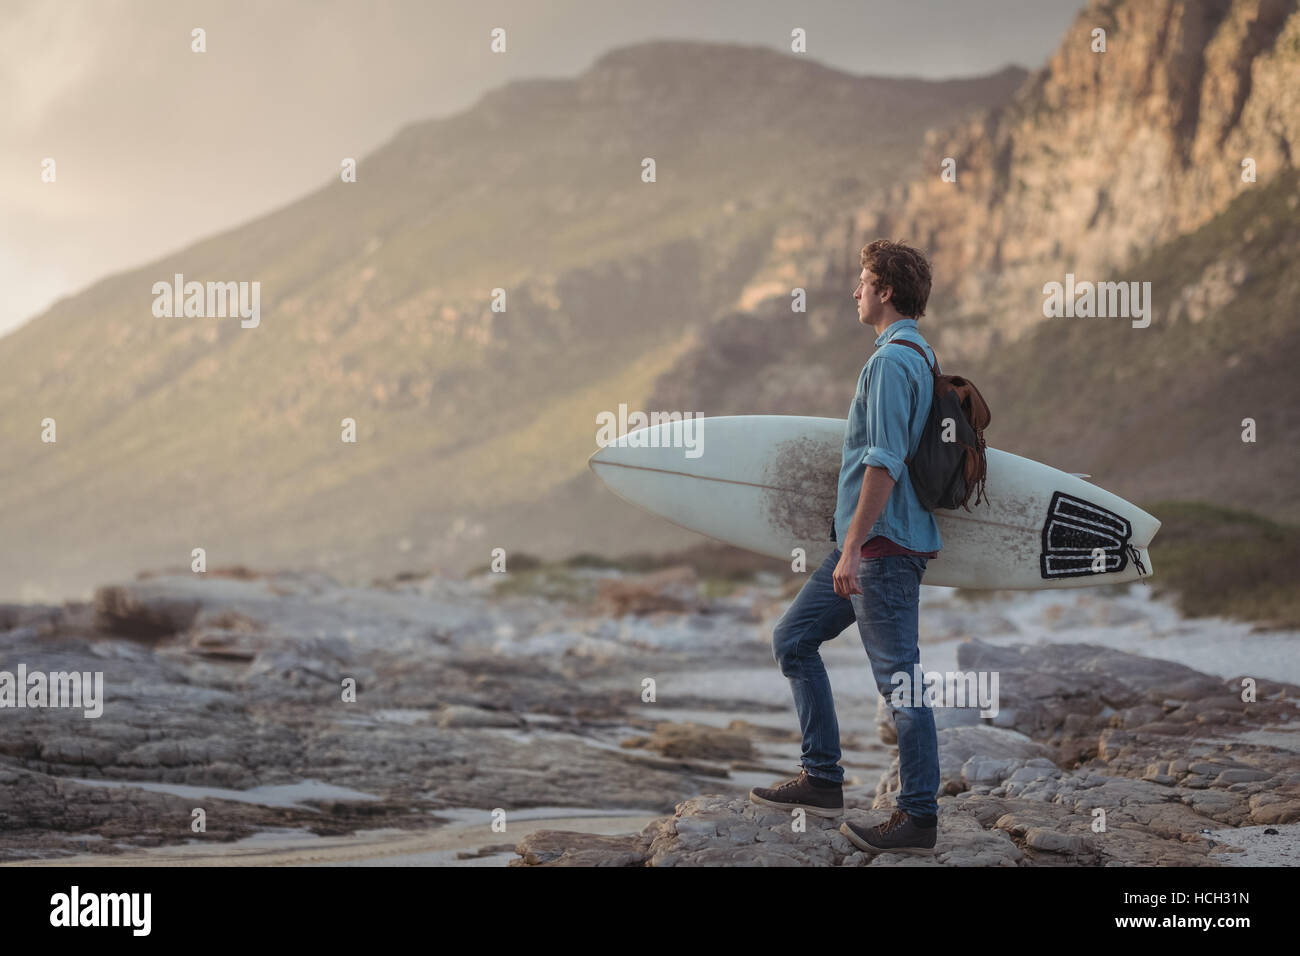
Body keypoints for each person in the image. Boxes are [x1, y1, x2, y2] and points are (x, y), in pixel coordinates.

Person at [749, 238, 942, 856]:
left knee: (900, 684)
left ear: (886, 291)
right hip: (870, 542)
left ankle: (917, 818)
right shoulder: (918, 353)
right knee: (793, 639)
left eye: (862, 281)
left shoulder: (890, 363)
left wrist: (855, 546)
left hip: (879, 547)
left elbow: (883, 462)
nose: (854, 291)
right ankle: (823, 777)